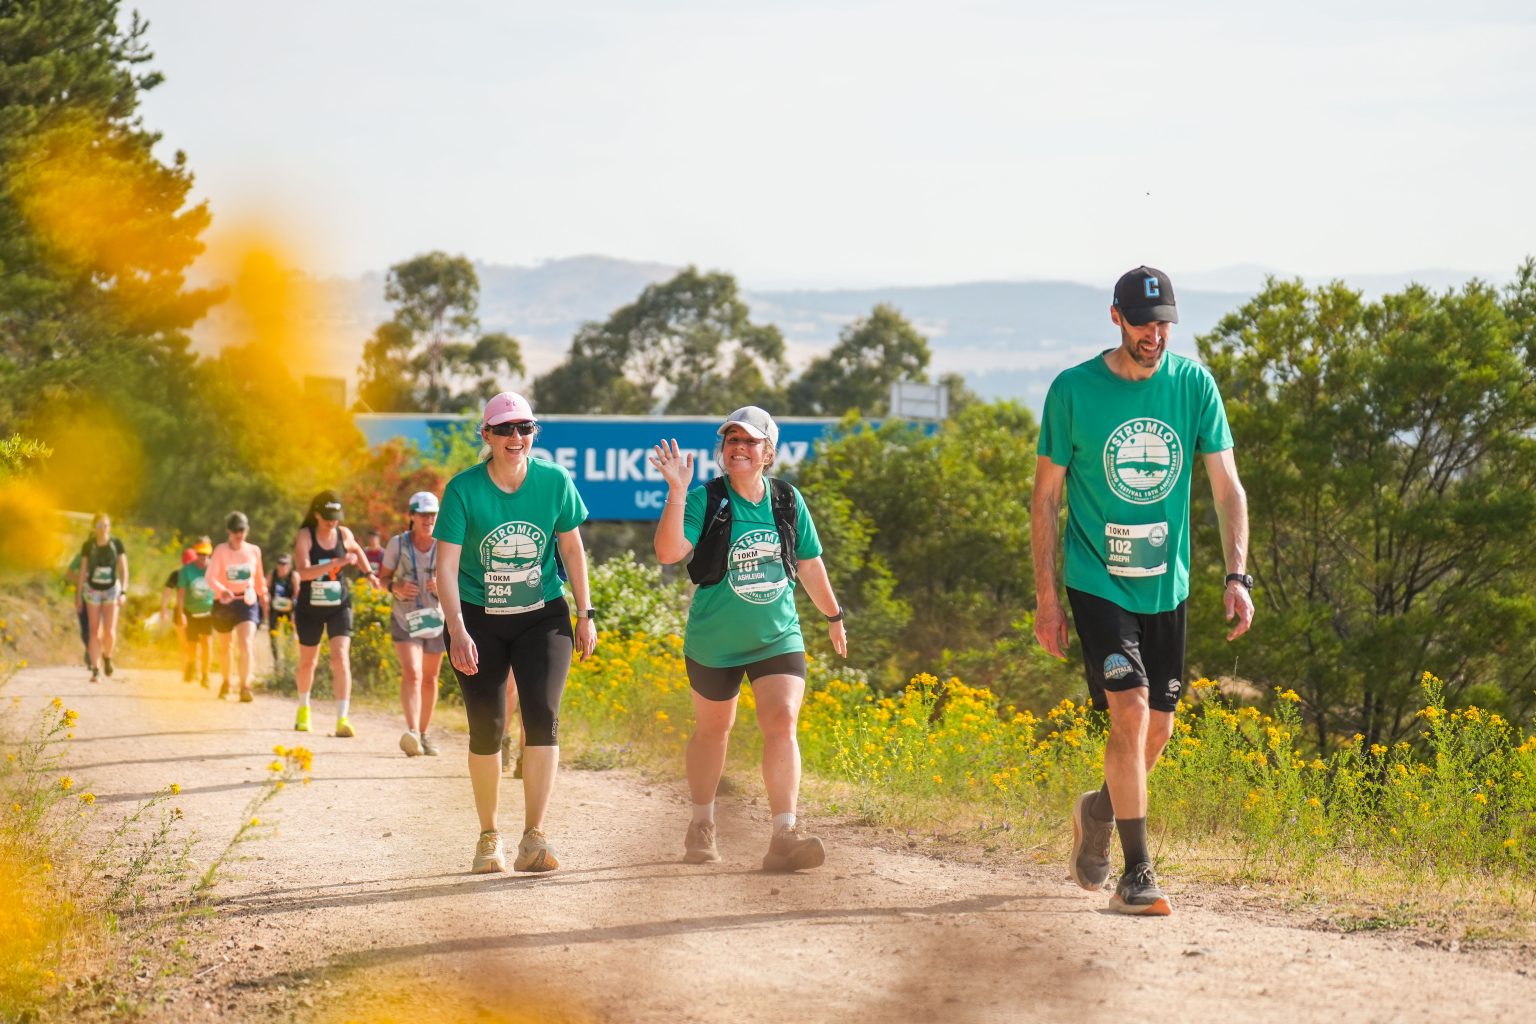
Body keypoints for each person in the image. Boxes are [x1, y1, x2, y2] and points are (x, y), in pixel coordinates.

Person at [1032, 266, 1254, 916]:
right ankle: (1138, 873)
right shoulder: (1074, 390)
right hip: (1097, 579)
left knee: (1156, 733)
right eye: (1142, 323)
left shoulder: (1193, 386)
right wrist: (1049, 598)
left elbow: (1226, 488)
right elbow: (1046, 500)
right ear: (1116, 318)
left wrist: (1236, 573)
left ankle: (1098, 811)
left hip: (1167, 585)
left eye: (1163, 324)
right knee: (1127, 712)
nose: (1154, 336)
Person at [651, 406, 847, 872]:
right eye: (731, 439)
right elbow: (668, 552)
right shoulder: (706, 499)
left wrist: (833, 614)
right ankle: (702, 821)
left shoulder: (786, 500)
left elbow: (809, 562)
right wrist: (677, 492)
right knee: (712, 732)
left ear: (768, 452)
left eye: (749, 441)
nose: (738, 447)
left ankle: (784, 833)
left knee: (781, 719)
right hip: (713, 642)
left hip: (777, 635)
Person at [434, 391, 596, 875]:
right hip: (477, 617)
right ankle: (489, 836)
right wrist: (457, 629)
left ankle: (534, 837)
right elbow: (444, 568)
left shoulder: (554, 480)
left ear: (533, 433)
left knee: (543, 715)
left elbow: (572, 549)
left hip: (541, 615)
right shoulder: (464, 489)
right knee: (488, 727)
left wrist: (585, 612)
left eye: (524, 428)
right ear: (486, 435)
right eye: (504, 429)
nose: (515, 437)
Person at [291, 491, 379, 737]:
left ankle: (342, 718)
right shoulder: (305, 536)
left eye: (336, 517)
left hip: (338, 605)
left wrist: (369, 573)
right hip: (310, 607)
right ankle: (303, 708)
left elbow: (358, 552)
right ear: (317, 514)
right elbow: (304, 572)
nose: (333, 522)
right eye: (328, 517)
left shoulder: (344, 534)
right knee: (309, 661)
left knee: (340, 657)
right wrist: (336, 562)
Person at [379, 490, 447, 757]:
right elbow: (383, 578)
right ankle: (412, 733)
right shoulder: (398, 544)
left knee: (430, 678)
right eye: (423, 514)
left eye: (432, 514)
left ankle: (424, 732)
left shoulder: (446, 543)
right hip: (405, 618)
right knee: (413, 673)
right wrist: (395, 586)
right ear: (412, 516)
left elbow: (460, 581)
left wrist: (443, 587)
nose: (428, 519)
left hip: (436, 618)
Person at [206, 511, 267, 702]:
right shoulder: (220, 550)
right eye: (235, 531)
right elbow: (210, 577)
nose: (239, 534)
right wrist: (222, 590)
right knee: (226, 646)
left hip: (247, 602)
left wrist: (264, 598)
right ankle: (226, 682)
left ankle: (244, 686)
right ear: (228, 531)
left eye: (242, 530)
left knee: (246, 642)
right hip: (224, 603)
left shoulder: (254, 551)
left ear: (247, 530)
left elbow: (259, 579)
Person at [76, 513, 128, 683]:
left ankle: (107, 656)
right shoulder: (88, 546)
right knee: (93, 631)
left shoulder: (116, 544)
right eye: (99, 525)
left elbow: (123, 569)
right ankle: (95, 669)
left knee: (109, 631)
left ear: (109, 527)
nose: (103, 529)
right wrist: (78, 597)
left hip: (112, 589)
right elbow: (83, 571)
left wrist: (123, 592)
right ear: (94, 527)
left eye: (106, 525)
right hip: (92, 590)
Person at [176, 538, 215, 687]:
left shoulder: (213, 568)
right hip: (191, 611)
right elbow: (181, 594)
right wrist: (181, 613)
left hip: (208, 611)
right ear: (195, 554)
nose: (202, 558)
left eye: (205, 555)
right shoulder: (186, 570)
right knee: (191, 644)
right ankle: (191, 665)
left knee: (207, 642)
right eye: (199, 554)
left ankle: (206, 675)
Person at [162, 548, 194, 676]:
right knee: (186, 643)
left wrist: (163, 610)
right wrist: (163, 610)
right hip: (181, 612)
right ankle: (187, 669)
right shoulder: (177, 574)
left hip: (191, 611)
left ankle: (191, 669)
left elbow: (166, 593)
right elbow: (167, 593)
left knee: (189, 643)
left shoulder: (180, 573)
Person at [266, 552, 298, 672]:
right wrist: (267, 599)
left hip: (289, 610)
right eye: (280, 563)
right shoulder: (272, 575)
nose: (282, 566)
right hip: (275, 609)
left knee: (289, 636)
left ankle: (288, 662)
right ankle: (276, 662)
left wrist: (293, 604)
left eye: (285, 564)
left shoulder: (293, 576)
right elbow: (266, 589)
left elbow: (297, 592)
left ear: (290, 565)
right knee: (273, 635)